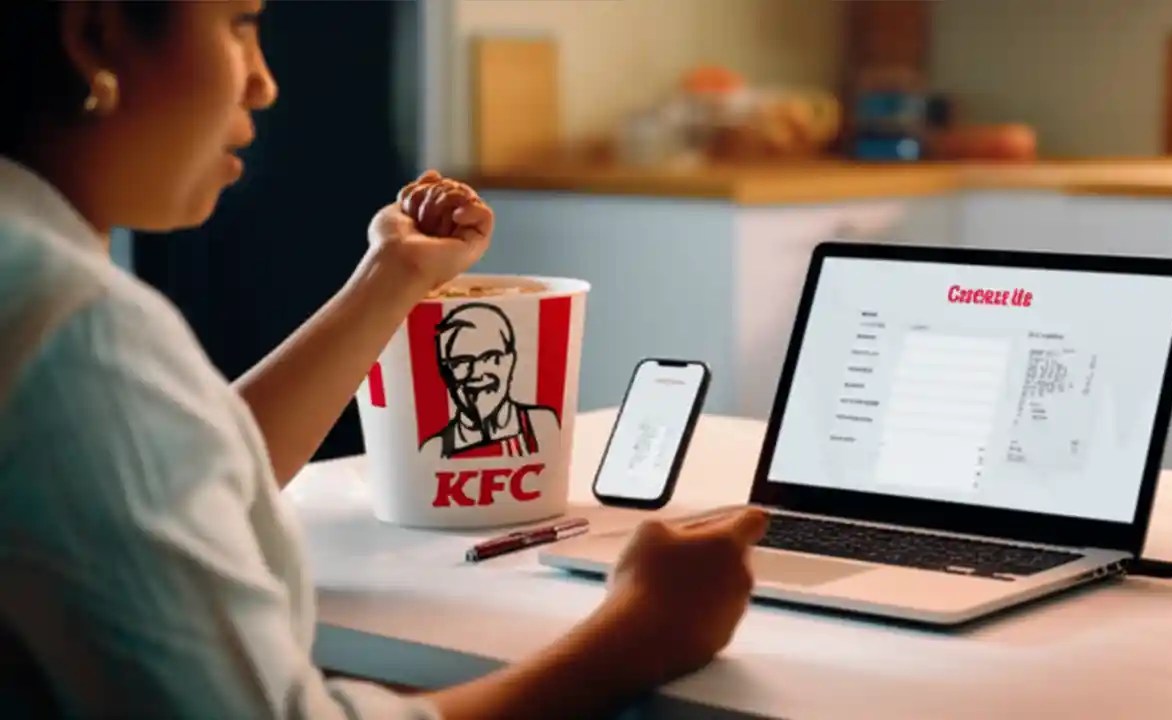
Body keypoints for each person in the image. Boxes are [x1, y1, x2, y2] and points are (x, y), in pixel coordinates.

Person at [0, 2, 768, 718]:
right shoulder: (79, 330)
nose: (264, 83)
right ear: (93, 36)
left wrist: (391, 278)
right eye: (238, 22)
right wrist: (640, 633)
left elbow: (173, 463)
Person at [425, 303, 559, 459]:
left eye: (490, 357)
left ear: (510, 361)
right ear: (445, 373)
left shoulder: (541, 424)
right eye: (460, 362)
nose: (476, 373)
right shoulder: (434, 450)